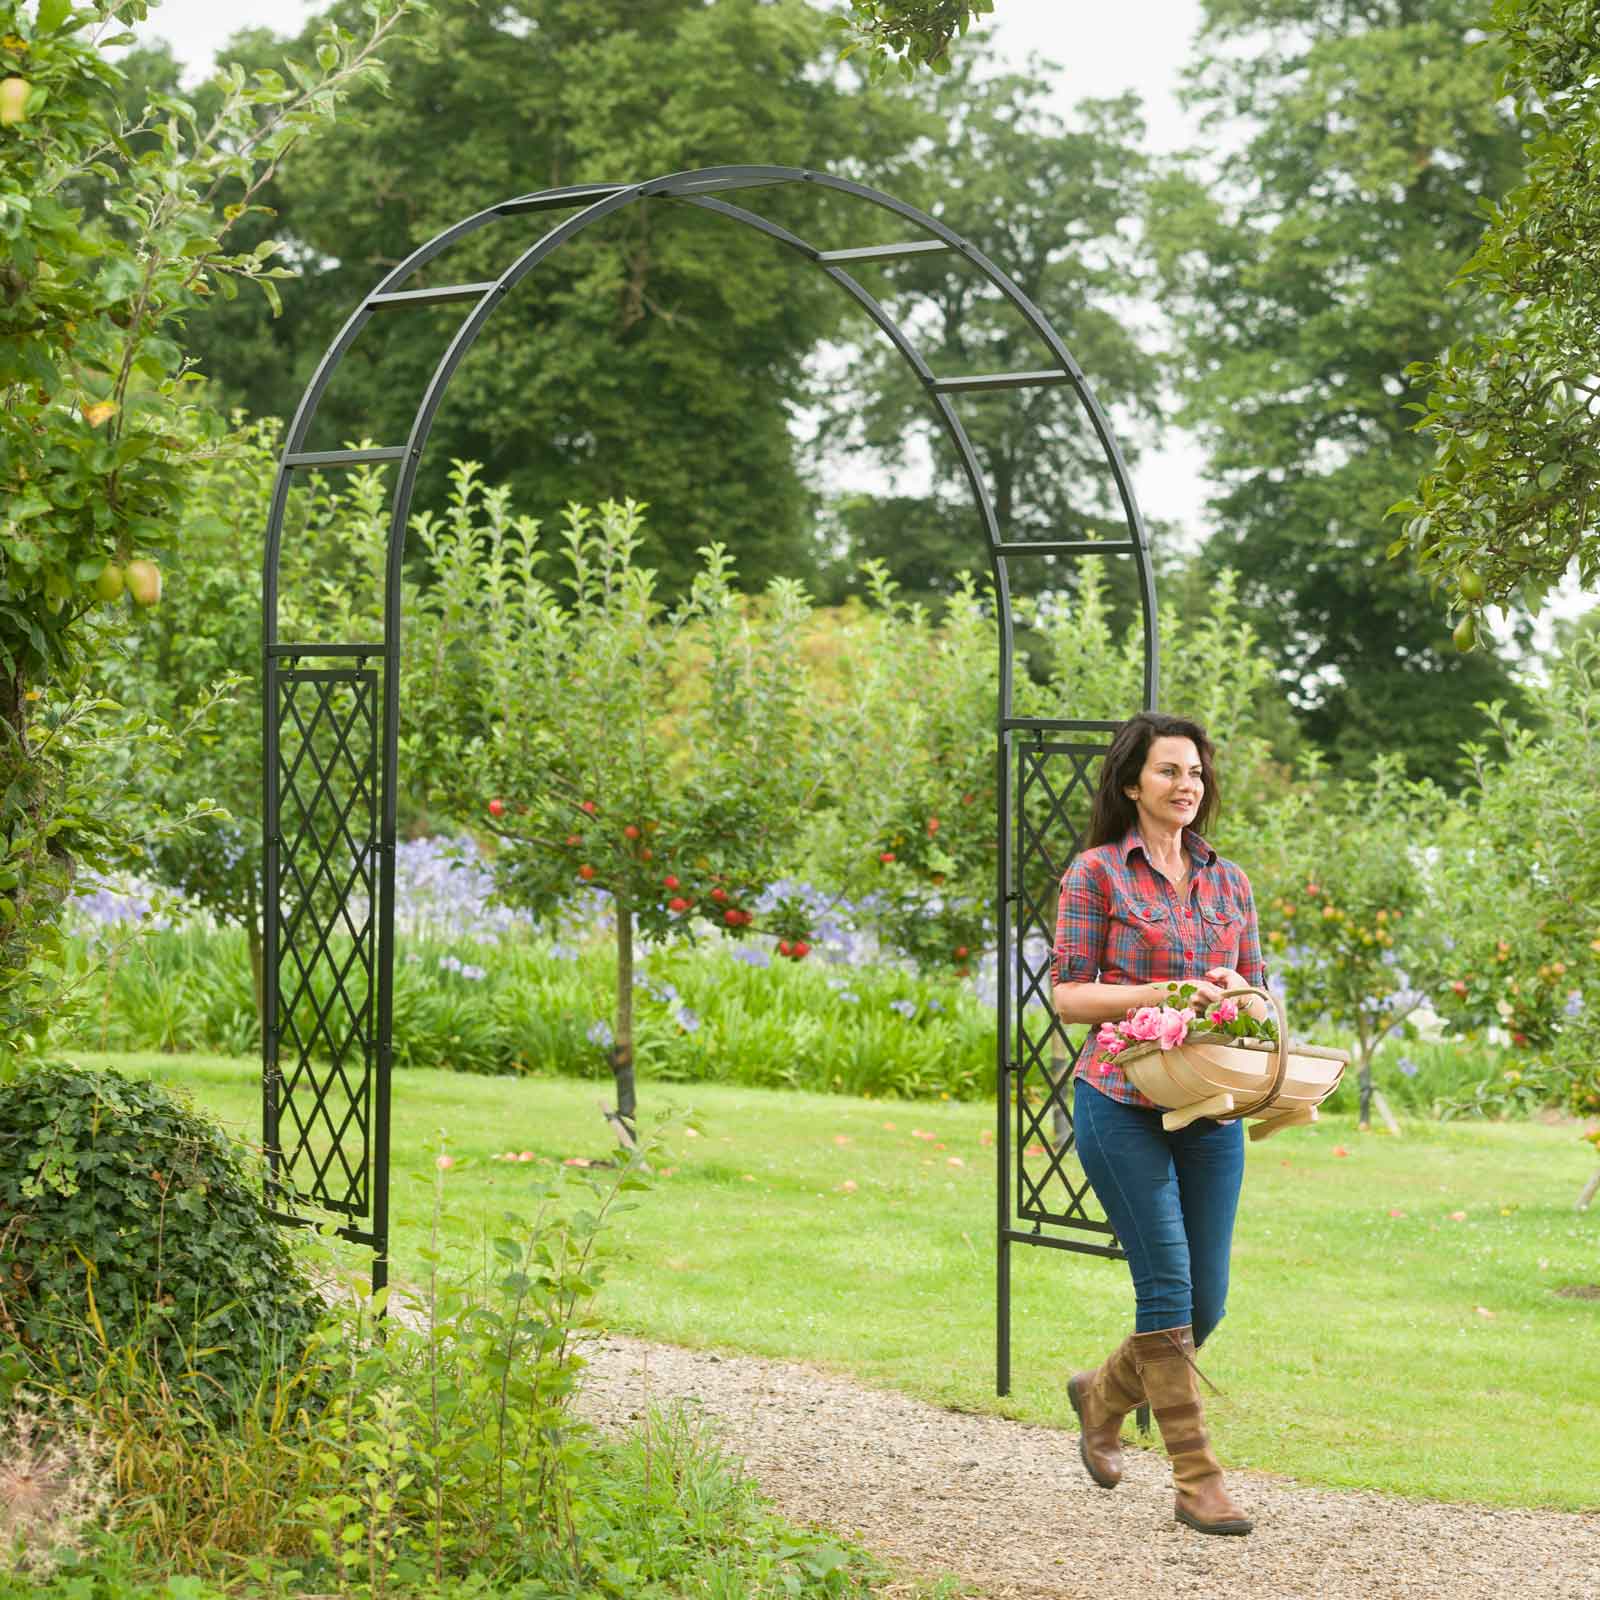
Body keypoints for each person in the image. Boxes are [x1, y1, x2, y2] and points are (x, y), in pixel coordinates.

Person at [1051, 711, 1269, 1538]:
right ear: (1133, 782)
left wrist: (1233, 994)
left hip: (1211, 1106)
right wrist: (1158, 997)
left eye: (1197, 774)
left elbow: (1255, 993)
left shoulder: (1229, 881)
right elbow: (1071, 995)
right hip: (1121, 1102)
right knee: (1168, 1288)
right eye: (1171, 771)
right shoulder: (1097, 874)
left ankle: (1101, 1396)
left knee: (1203, 1305)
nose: (1188, 786)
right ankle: (1196, 1480)